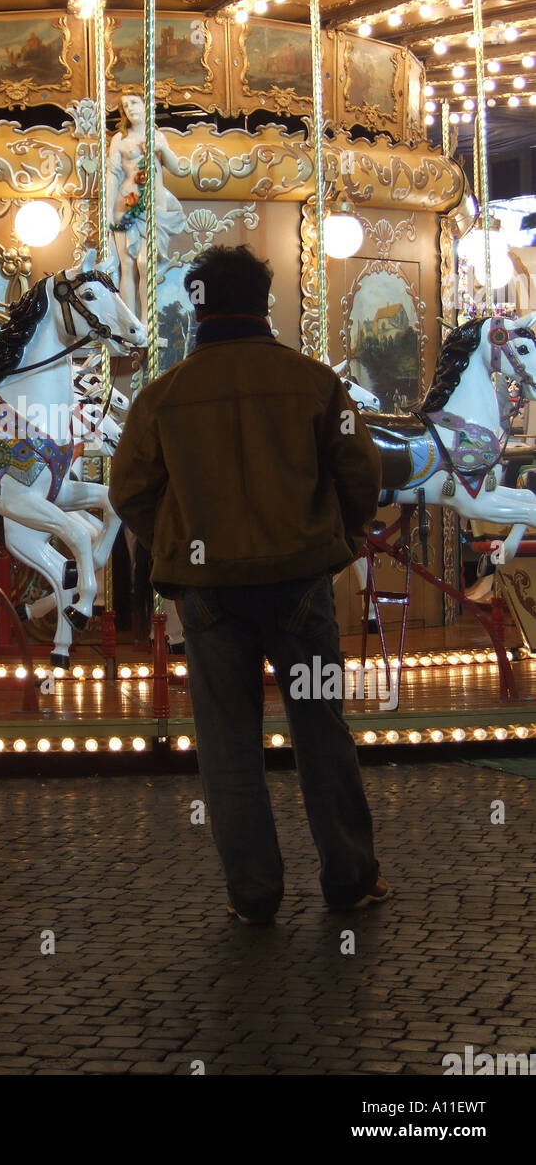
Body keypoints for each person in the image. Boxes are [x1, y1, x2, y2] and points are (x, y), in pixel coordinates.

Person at [109, 243, 388, 925]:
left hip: (206, 593)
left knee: (228, 741)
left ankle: (254, 893)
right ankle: (350, 879)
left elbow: (128, 492)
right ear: (264, 302)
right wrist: (339, 538)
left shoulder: (160, 396)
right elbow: (362, 475)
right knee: (320, 728)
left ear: (196, 306)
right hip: (298, 581)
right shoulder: (317, 384)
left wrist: (180, 540)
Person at [107, 93, 188, 320]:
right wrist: (106, 212)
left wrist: (160, 149)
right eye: (125, 105)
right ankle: (128, 322)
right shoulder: (119, 140)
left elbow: (178, 169)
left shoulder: (157, 136)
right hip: (125, 202)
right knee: (127, 265)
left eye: (134, 103)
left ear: (145, 106)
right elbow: (112, 174)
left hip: (152, 206)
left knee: (145, 263)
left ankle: (146, 321)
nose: (129, 108)